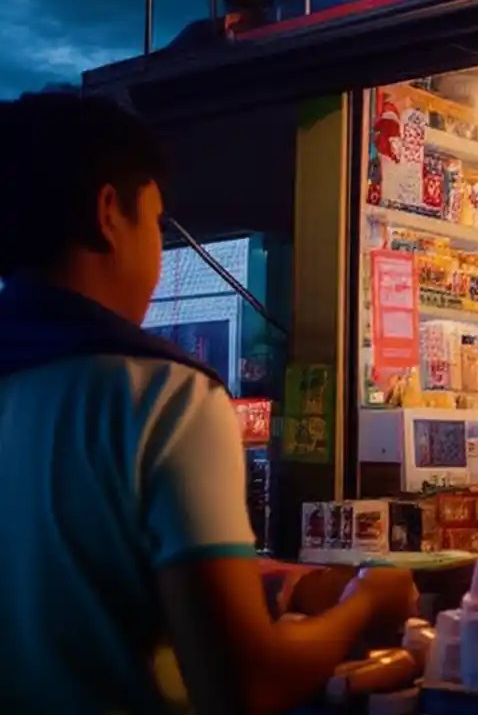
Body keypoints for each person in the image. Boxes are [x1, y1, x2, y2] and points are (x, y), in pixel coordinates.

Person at [0, 92, 417, 714]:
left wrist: (278, 589)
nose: (157, 257)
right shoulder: (166, 399)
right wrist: (366, 604)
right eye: (156, 221)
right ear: (110, 213)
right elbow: (246, 685)